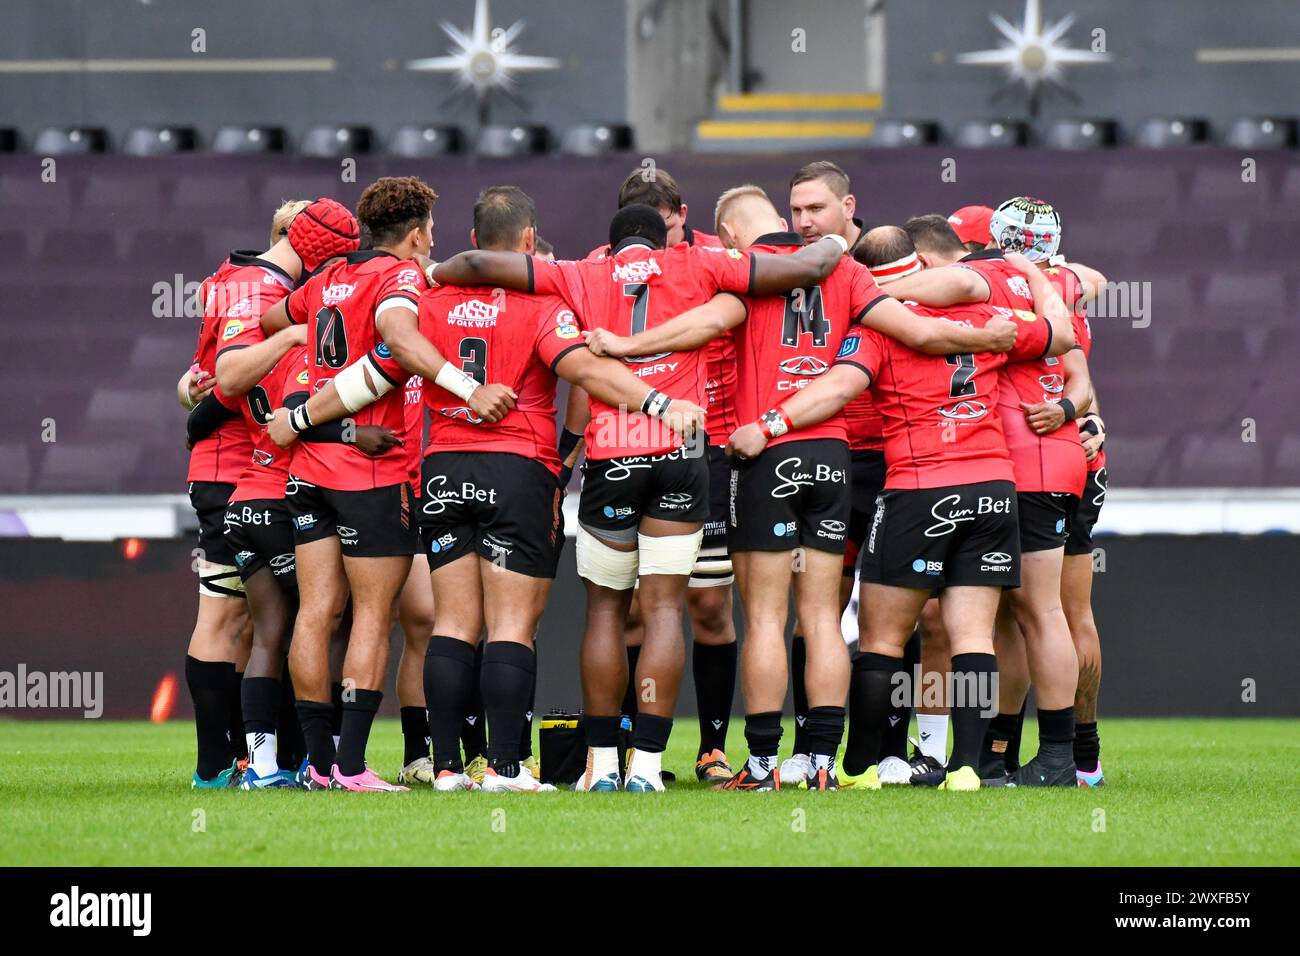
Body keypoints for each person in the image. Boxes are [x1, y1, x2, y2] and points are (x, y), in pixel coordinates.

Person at [588, 190, 1019, 790]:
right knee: (822, 615)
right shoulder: (846, 272)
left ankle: (764, 762)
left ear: (736, 236)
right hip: (831, 453)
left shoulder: (748, 277)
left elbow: (703, 326)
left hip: (765, 451)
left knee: (766, 617)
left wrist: (626, 345)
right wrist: (988, 340)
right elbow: (919, 335)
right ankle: (822, 761)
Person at [432, 202, 848, 792]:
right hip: (683, 453)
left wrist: (433, 273)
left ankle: (602, 764)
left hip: (612, 454)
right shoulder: (700, 263)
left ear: (611, 242)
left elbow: (476, 261)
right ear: (665, 237)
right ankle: (649, 768)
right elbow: (809, 266)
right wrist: (831, 240)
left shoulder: (582, 273)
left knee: (605, 612)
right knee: (662, 612)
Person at [730, 225, 1075, 790]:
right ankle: (966, 768)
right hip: (993, 486)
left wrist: (771, 424)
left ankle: (864, 764)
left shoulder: (877, 328)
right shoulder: (990, 325)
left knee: (882, 638)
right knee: (972, 637)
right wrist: (1034, 272)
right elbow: (1061, 334)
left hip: (919, 488)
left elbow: (839, 388)